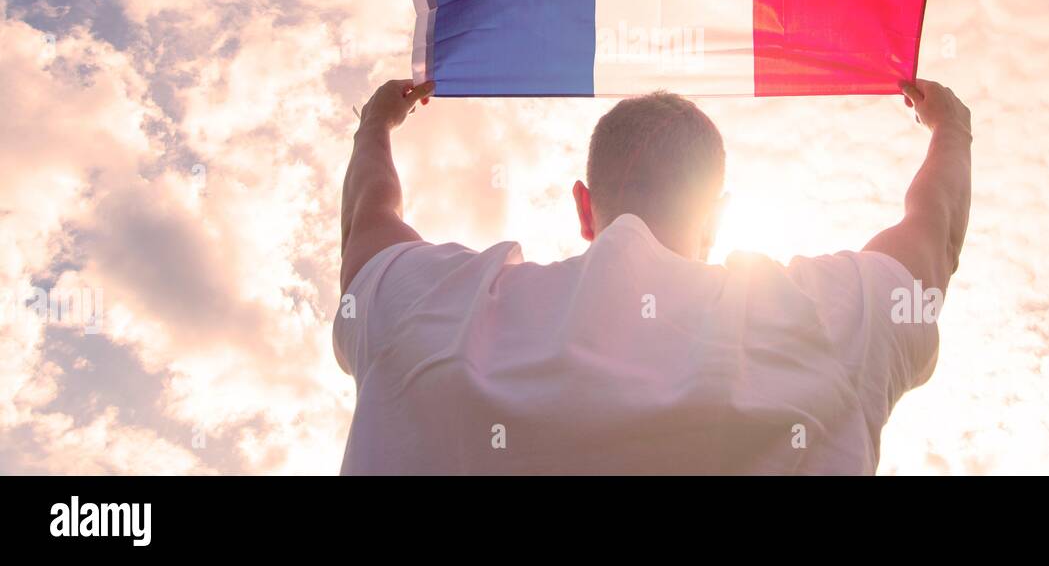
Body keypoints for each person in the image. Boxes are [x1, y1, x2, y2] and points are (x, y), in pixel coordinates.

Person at [334, 78, 972, 474]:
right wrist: (951, 130)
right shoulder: (821, 323)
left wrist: (374, 128)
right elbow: (934, 235)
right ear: (717, 216)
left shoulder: (429, 312)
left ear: (585, 207)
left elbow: (368, 219)